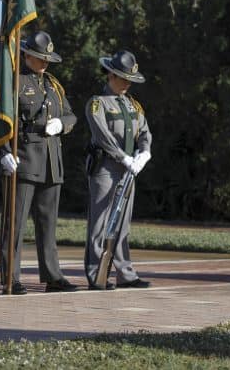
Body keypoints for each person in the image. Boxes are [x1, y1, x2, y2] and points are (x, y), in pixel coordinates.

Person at [0, 31, 78, 294]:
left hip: (52, 161)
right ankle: (12, 278)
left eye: (47, 59)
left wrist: (61, 124)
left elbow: (70, 115)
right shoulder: (14, 81)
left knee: (48, 223)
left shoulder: (54, 85)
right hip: (24, 157)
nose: (44, 63)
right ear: (27, 55)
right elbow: (0, 121)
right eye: (39, 58)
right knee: (15, 223)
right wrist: (2, 152)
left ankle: (53, 276)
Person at [84, 49, 153, 290]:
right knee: (100, 223)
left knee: (123, 223)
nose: (126, 84)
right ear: (111, 75)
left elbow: (144, 132)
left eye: (129, 80)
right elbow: (102, 135)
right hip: (106, 168)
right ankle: (95, 274)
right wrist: (123, 157)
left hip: (129, 170)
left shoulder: (134, 105)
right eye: (123, 78)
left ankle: (125, 273)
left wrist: (144, 153)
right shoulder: (97, 103)